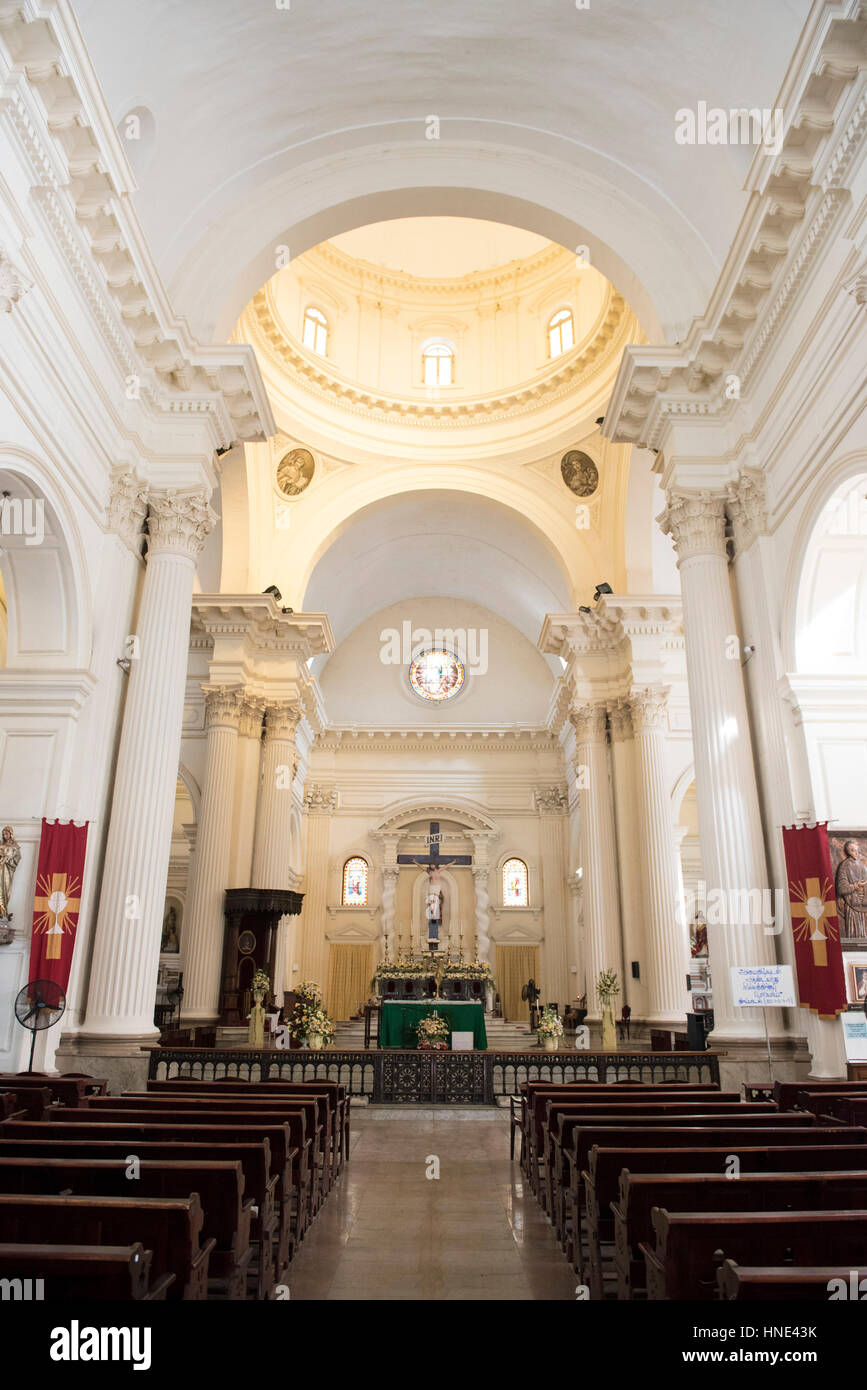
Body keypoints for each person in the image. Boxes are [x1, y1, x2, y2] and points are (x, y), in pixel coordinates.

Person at [835, 840, 867, 940]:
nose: (856, 853)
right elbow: (841, 889)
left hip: (863, 904)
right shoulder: (844, 866)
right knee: (854, 934)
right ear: (848, 852)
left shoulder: (863, 866)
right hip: (851, 904)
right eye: (853, 850)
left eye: (857, 850)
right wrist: (856, 885)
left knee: (863, 933)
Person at [0, 826, 21, 919]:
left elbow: (17, 858)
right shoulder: (0, 844)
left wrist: (7, 860)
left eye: (6, 834)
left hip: (7, 871)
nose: (5, 836)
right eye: (3, 834)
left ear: (10, 834)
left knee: (5, 890)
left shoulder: (14, 846)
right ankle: (2, 912)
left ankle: (3, 912)